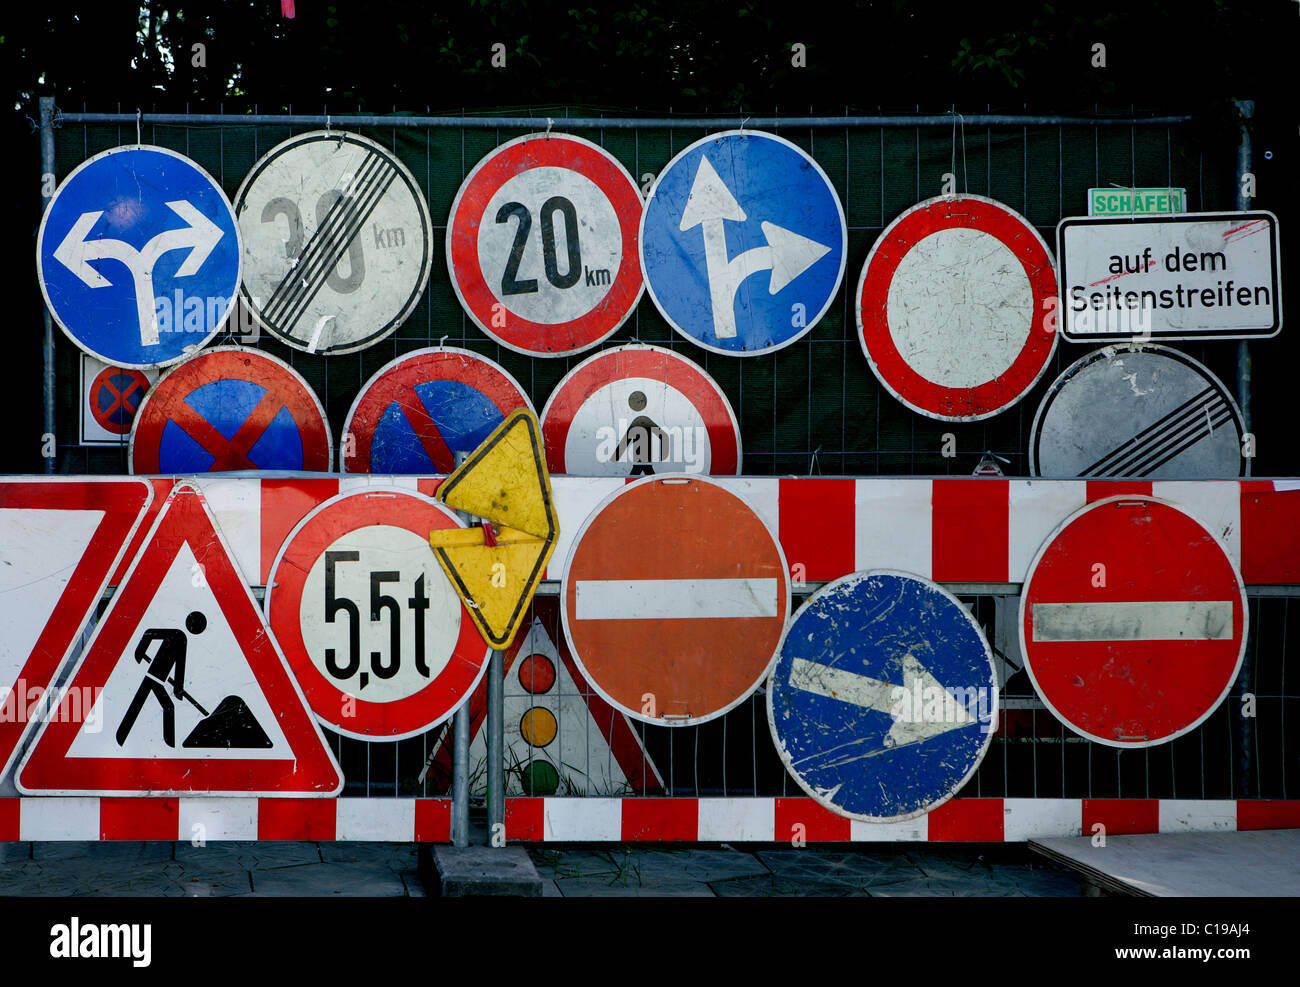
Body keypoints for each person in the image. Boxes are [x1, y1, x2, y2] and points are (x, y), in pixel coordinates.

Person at [115, 611, 206, 748]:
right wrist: (140, 651)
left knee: (145, 704)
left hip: (158, 680)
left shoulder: (181, 638)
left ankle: (121, 737)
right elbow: (150, 633)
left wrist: (178, 689)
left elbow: (179, 666)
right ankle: (168, 746)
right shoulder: (177, 635)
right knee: (162, 706)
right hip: (153, 677)